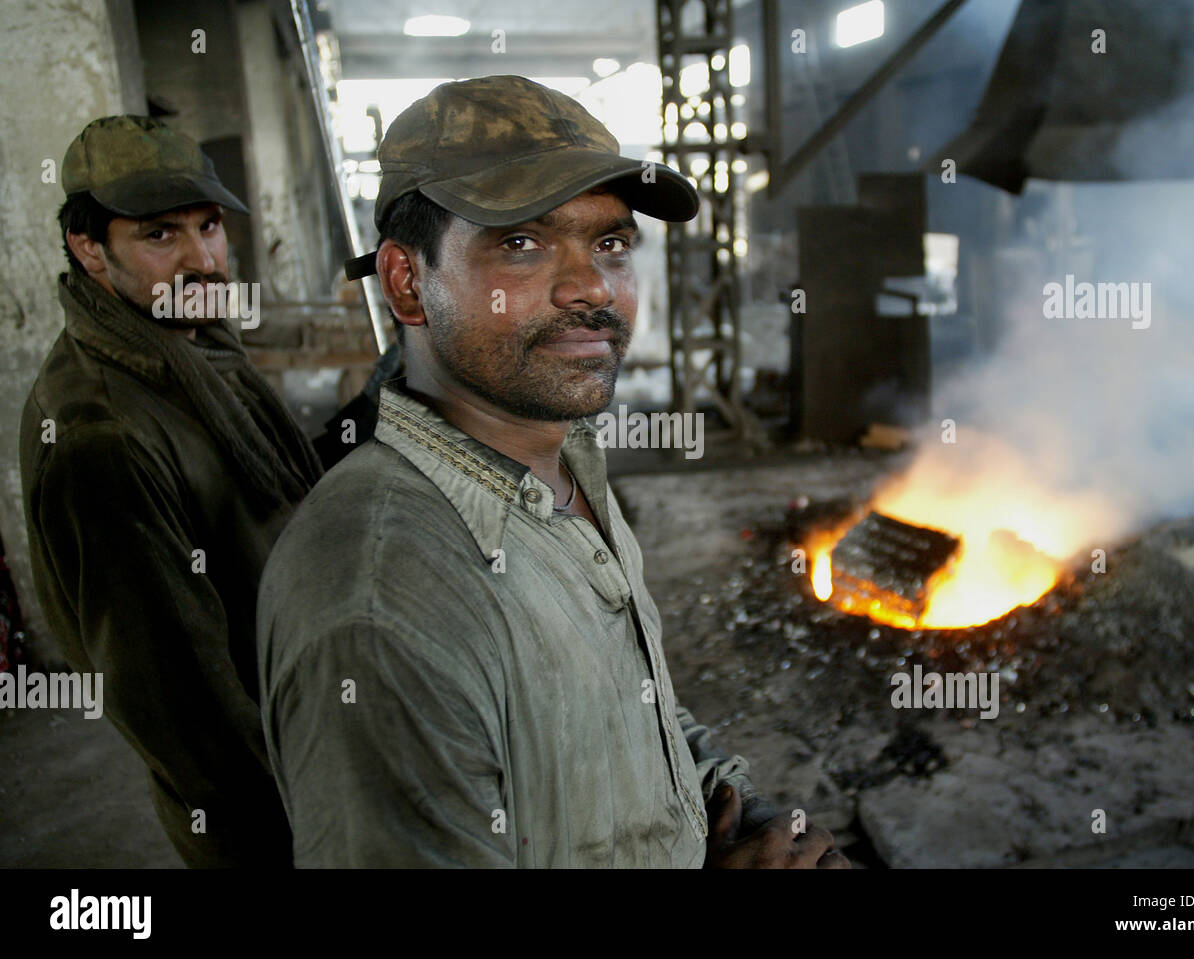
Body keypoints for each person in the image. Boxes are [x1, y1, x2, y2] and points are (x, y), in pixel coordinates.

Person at [257, 75, 850, 868]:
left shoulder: (564, 459)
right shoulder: (383, 604)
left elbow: (637, 720)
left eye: (609, 244)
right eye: (523, 243)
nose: (592, 287)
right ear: (408, 282)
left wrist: (746, 824)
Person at [19, 116, 323, 867]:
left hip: (312, 734)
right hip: (270, 812)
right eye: (161, 236)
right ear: (89, 249)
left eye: (210, 226)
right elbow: (184, 710)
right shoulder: (101, 437)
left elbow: (258, 500)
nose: (203, 259)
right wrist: (315, 820)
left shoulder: (196, 345)